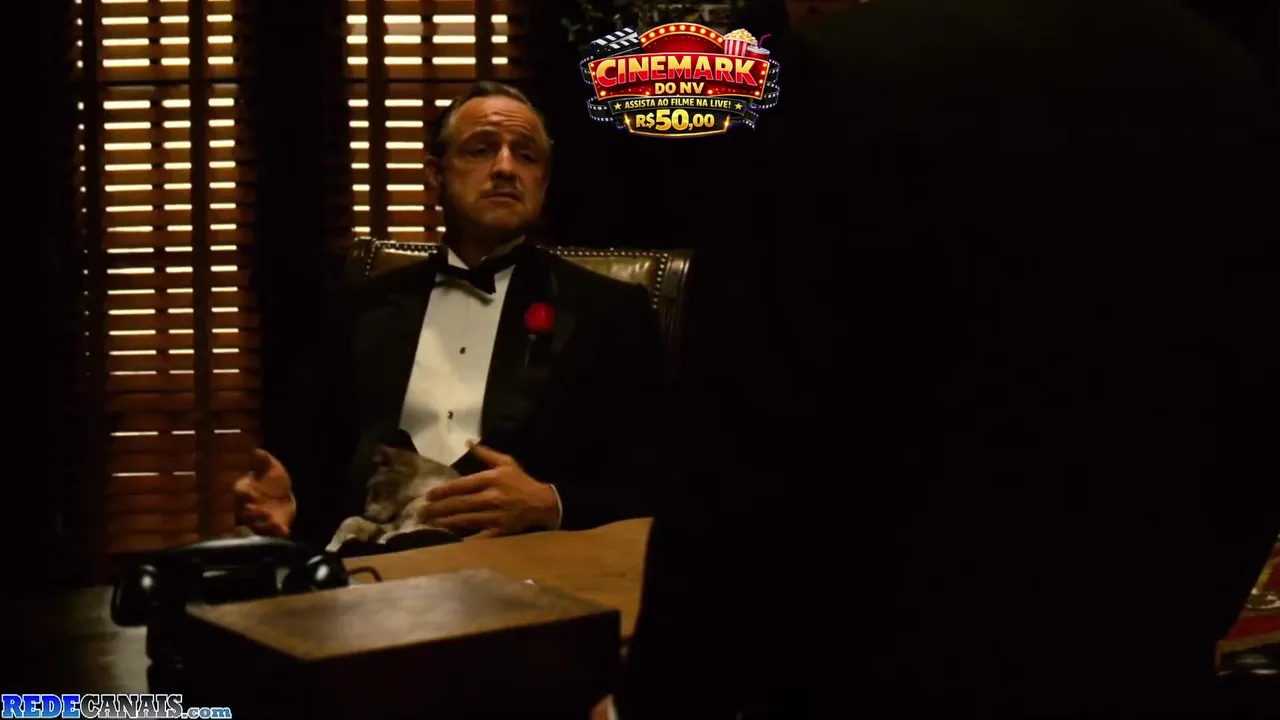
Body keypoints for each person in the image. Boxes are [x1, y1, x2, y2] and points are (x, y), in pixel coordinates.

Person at [601, 0, 1280, 717]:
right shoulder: (1222, 74)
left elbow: (743, 452)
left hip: (874, 678)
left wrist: (658, 701)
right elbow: (1253, 414)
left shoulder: (841, 74)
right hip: (1140, 669)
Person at [234, 82, 668, 550]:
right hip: (371, 568)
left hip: (524, 565)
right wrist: (289, 504)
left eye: (526, 156)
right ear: (435, 175)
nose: (505, 168)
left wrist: (552, 503)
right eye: (481, 150)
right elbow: (319, 460)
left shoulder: (608, 312)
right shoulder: (359, 308)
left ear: (543, 182)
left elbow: (663, 478)